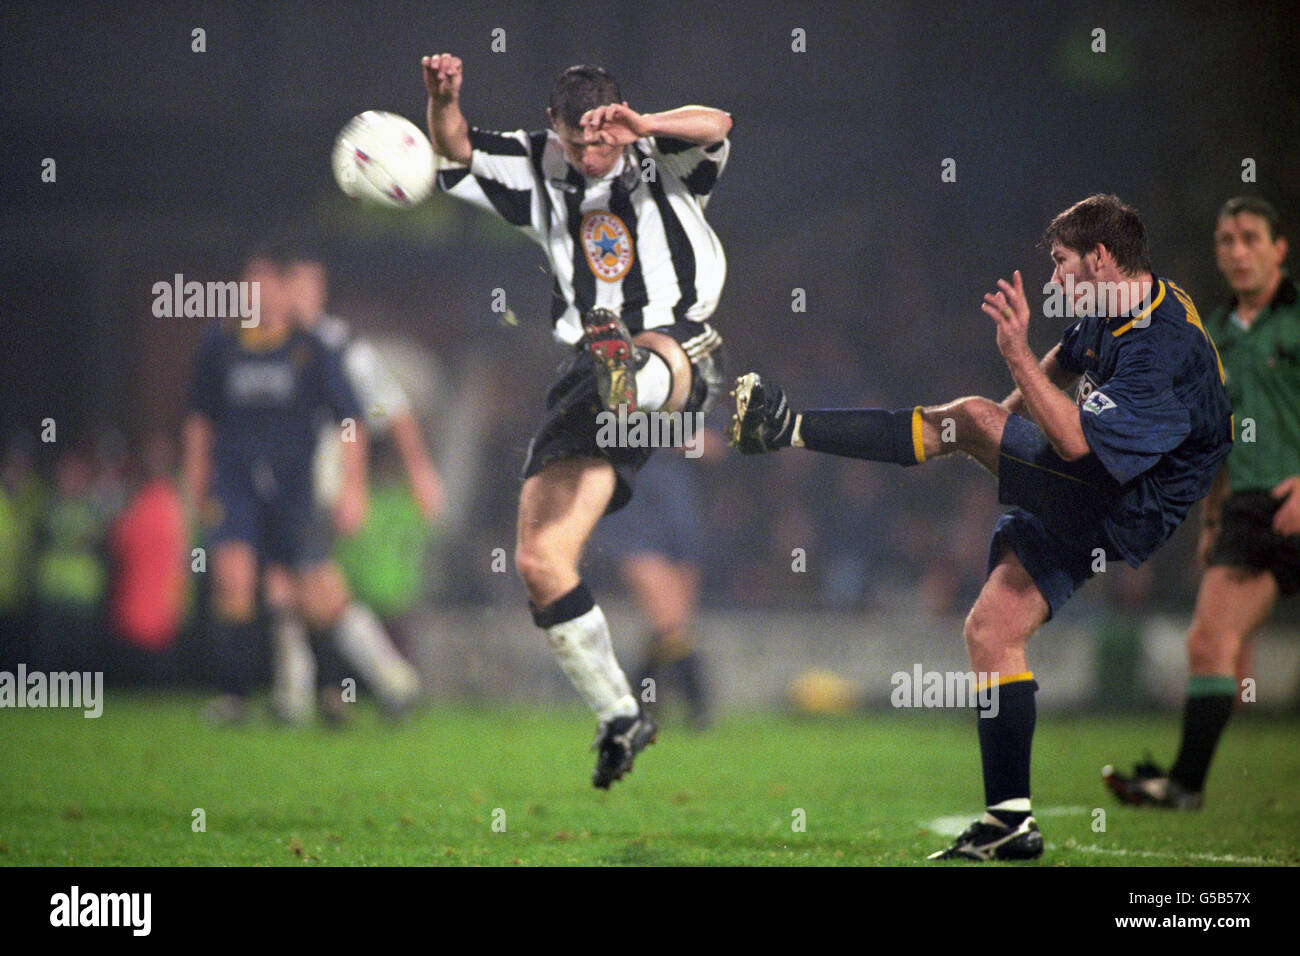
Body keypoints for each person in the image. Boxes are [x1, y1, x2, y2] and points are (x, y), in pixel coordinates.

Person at [730, 194, 1233, 860]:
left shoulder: (1161, 347)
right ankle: (1011, 825)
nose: (1054, 282)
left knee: (966, 416)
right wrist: (992, 433)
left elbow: (1081, 444)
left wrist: (996, 391)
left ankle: (786, 427)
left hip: (1128, 499)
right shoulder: (1122, 304)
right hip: (1111, 483)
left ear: (1102, 259)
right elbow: (1061, 366)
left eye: (1061, 265)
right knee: (991, 629)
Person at [422, 53, 731, 787]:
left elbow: (718, 124)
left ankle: (632, 382)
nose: (594, 155)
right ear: (553, 128)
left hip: (678, 346)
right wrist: (442, 99)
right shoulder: (533, 163)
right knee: (540, 560)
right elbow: (455, 147)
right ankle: (621, 715)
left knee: (639, 352)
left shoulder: (657, 149)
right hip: (587, 384)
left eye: (604, 141)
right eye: (579, 142)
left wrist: (644, 125)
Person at [1104, 197, 1299, 809]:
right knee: (1210, 644)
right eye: (1225, 240)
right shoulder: (1209, 337)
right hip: (1247, 510)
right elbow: (1210, 438)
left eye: (1249, 237)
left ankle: (1184, 782)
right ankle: (1184, 784)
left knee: (1211, 643)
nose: (1237, 251)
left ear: (1278, 249)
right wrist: (1211, 519)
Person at [181, 245, 368, 724]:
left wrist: (353, 487)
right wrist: (196, 479)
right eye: (251, 285)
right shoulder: (218, 346)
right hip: (235, 482)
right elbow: (200, 421)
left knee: (313, 591)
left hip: (294, 489)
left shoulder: (312, 348)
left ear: (287, 291)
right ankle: (234, 695)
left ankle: (331, 691)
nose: (259, 296)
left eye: (269, 286)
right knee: (234, 578)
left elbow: (351, 420)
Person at [266, 253, 443, 725]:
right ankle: (309, 695)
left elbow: (388, 411)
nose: (301, 298)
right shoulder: (258, 342)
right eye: (294, 287)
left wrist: (362, 483)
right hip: (272, 482)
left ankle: (368, 685)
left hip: (317, 481)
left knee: (314, 580)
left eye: (310, 287)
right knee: (288, 585)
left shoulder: (338, 346)